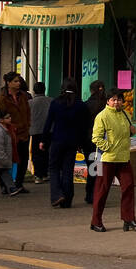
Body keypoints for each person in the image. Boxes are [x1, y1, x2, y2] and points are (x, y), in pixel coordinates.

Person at [90, 89, 136, 232]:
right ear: (108, 101)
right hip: (106, 159)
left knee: (128, 188)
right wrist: (108, 147)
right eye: (113, 99)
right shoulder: (102, 116)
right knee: (102, 191)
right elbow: (96, 138)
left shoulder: (126, 114)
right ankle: (96, 222)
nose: (116, 102)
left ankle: (129, 219)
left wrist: (133, 131)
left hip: (123, 158)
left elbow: (129, 130)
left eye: (119, 99)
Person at [41, 79, 85, 208]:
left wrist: (43, 140)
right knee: (67, 170)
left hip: (57, 140)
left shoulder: (56, 103)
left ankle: (57, 195)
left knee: (54, 168)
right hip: (72, 142)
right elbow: (82, 127)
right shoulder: (80, 105)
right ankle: (67, 200)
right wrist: (80, 142)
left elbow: (48, 122)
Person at [0, 73, 32, 194]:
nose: (18, 83)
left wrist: (27, 125)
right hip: (10, 132)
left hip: (23, 132)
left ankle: (19, 184)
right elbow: (0, 115)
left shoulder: (23, 96)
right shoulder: (3, 98)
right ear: (8, 83)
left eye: (19, 81)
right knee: (8, 159)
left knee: (23, 158)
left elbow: (27, 112)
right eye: (15, 81)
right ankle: (5, 184)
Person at [80, 81, 107, 205]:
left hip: (89, 140)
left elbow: (82, 125)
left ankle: (90, 194)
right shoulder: (107, 105)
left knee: (92, 167)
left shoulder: (86, 105)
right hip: (103, 141)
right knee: (99, 168)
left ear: (91, 90)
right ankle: (97, 193)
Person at [28, 81, 52, 184]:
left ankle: (38, 175)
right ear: (44, 89)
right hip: (49, 131)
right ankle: (46, 173)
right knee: (47, 152)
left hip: (35, 131)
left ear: (34, 90)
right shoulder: (51, 101)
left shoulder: (30, 103)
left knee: (36, 153)